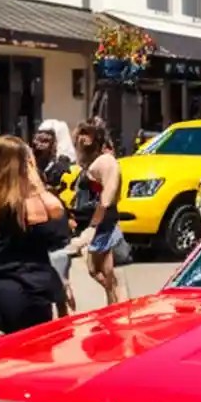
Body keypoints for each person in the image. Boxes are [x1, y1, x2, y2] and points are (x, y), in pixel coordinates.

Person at [0, 136, 70, 342]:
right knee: (31, 366)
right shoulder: (26, 203)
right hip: (27, 296)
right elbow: (58, 231)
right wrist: (39, 186)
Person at [69, 119, 124, 306]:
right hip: (99, 220)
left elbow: (107, 197)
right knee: (103, 270)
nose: (82, 139)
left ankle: (117, 303)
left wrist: (93, 226)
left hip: (102, 220)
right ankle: (115, 303)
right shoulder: (94, 161)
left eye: (87, 134)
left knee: (97, 269)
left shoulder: (106, 161)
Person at [33, 121, 78, 316]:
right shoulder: (32, 163)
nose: (40, 144)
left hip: (57, 229)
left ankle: (68, 319)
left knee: (61, 283)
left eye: (46, 140)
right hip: (39, 229)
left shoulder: (61, 166)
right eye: (38, 138)